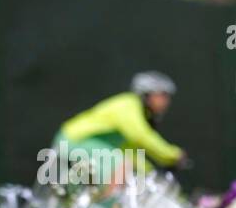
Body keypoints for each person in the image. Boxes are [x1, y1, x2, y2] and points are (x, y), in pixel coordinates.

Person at [52, 71, 185, 187]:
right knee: (121, 169)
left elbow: (130, 151)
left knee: (79, 194)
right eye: (163, 95)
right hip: (75, 141)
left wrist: (149, 172)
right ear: (148, 93)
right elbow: (141, 136)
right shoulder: (129, 104)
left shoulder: (138, 111)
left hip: (81, 145)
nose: (166, 101)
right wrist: (173, 155)